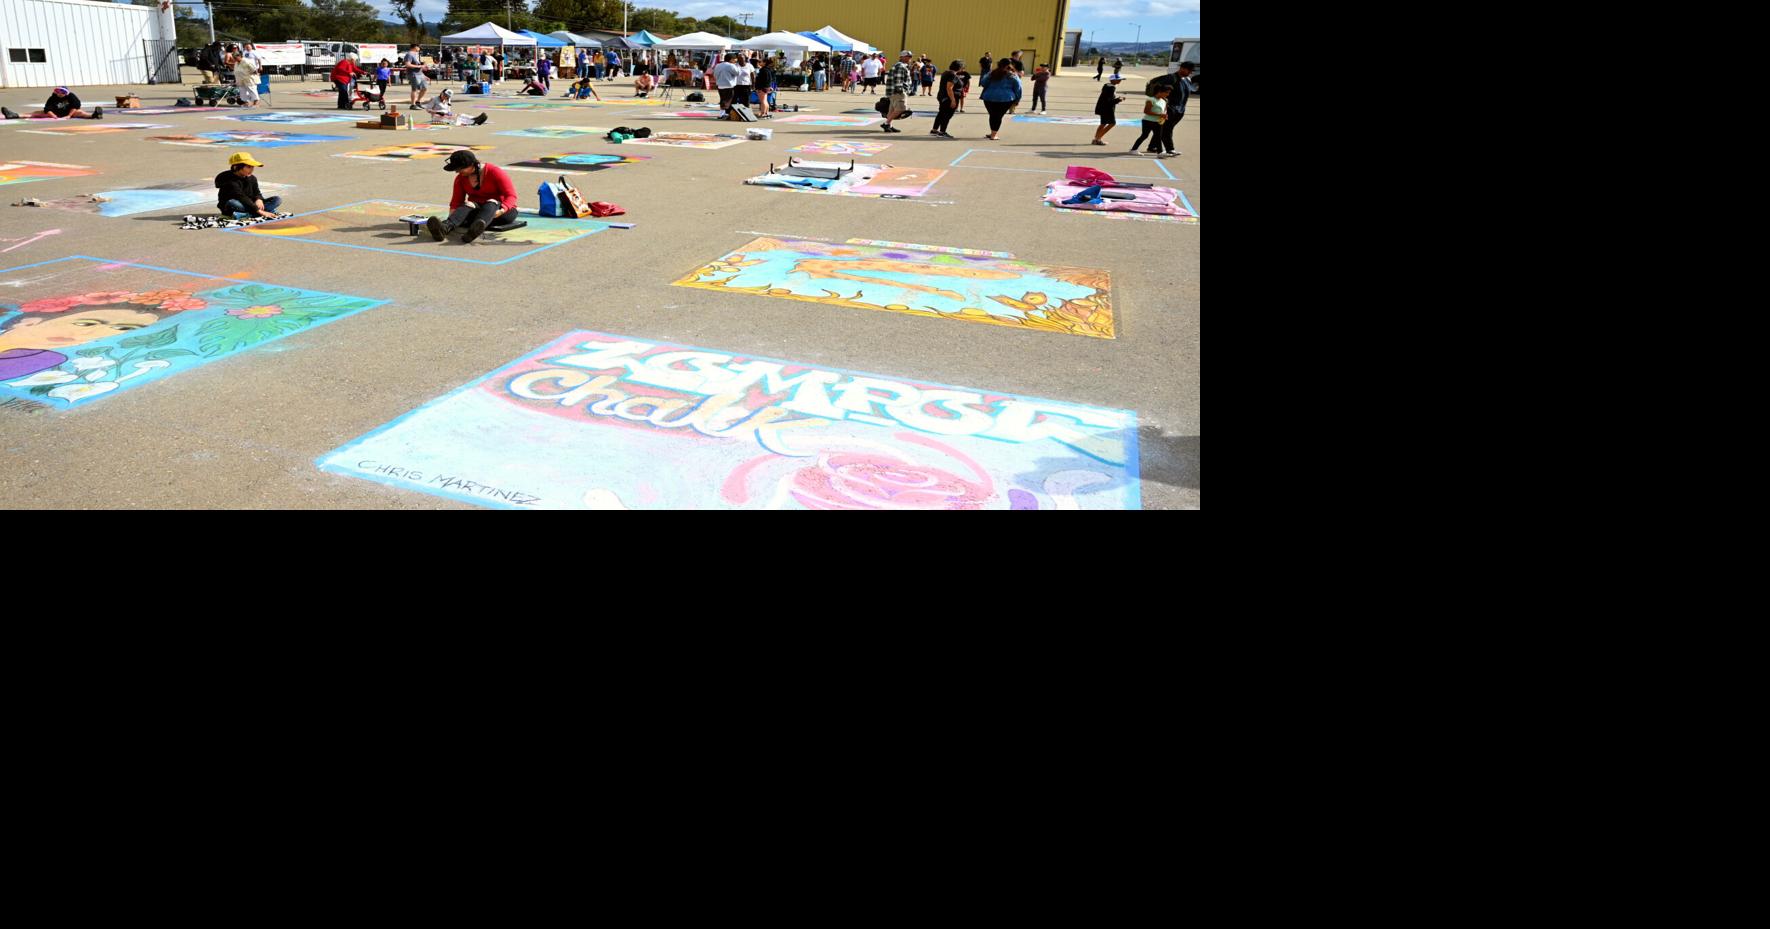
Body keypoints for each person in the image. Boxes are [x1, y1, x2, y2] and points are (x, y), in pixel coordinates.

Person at [0, 293, 194, 383]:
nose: (90, 334)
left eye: (123, 329)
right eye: (86, 323)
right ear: (31, 321)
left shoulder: (43, 359)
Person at [426, 150, 516, 245]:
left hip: (500, 212)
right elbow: (456, 202)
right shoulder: (460, 178)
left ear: (472, 165)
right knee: (469, 204)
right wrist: (453, 218)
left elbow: (511, 195)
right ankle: (444, 228)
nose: (457, 171)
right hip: (478, 210)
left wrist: (502, 210)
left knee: (491, 202)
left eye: (459, 168)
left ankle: (475, 229)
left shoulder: (494, 172)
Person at [1146, 62, 1195, 157]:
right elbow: (1157, 91)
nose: (1190, 73)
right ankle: (1170, 149)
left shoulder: (1187, 80)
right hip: (1169, 109)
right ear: (1182, 68)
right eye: (1189, 70)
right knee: (1167, 129)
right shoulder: (1170, 78)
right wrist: (1163, 104)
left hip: (1180, 110)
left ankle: (1152, 146)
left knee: (1165, 128)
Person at [215, 152, 283, 218]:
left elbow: (257, 192)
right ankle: (258, 213)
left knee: (277, 199)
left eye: (252, 167)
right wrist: (261, 212)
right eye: (249, 167)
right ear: (236, 167)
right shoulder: (229, 180)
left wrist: (259, 199)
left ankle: (246, 214)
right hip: (237, 204)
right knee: (232, 203)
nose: (252, 169)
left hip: (250, 204)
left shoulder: (252, 178)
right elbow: (241, 197)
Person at [978, 58, 1020, 140]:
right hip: (1006, 98)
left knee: (993, 115)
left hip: (989, 97)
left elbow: (983, 83)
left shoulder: (992, 73)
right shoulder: (1012, 75)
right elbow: (1018, 88)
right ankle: (994, 135)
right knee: (998, 116)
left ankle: (992, 133)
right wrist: (1017, 99)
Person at [1130, 84, 1170, 154]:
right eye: (1166, 92)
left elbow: (1164, 110)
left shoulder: (1164, 100)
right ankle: (1133, 150)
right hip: (1148, 121)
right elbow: (1146, 111)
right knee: (1144, 135)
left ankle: (1160, 152)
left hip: (1158, 121)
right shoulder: (1151, 100)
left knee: (1158, 136)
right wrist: (1160, 115)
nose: (1168, 94)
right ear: (1160, 92)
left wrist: (1164, 116)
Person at [18, 87, 102, 119]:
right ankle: (16, 115)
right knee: (36, 113)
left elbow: (75, 106)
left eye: (62, 92)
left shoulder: (71, 96)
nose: (60, 94)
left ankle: (94, 115)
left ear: (66, 92)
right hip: (56, 113)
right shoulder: (53, 98)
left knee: (80, 112)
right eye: (57, 92)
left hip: (70, 112)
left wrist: (69, 116)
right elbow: (47, 108)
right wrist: (52, 115)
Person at [880, 50, 913, 133]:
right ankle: (886, 123)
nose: (910, 58)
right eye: (908, 56)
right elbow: (898, 79)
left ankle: (889, 126)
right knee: (901, 109)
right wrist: (901, 91)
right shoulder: (901, 66)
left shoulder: (899, 65)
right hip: (898, 92)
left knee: (891, 110)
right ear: (902, 57)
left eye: (910, 56)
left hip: (893, 92)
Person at [424, 89, 490, 126]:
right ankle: (473, 121)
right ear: (442, 93)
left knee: (461, 115)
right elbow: (427, 109)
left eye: (447, 96)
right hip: (437, 117)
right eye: (445, 95)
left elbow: (448, 109)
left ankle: (475, 118)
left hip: (447, 115)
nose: (445, 97)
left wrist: (450, 113)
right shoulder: (434, 99)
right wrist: (437, 112)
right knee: (456, 119)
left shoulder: (448, 100)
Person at [930, 59, 961, 138]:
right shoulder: (953, 75)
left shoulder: (946, 73)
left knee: (941, 113)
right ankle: (942, 132)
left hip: (942, 96)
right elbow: (949, 88)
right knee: (947, 115)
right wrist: (953, 100)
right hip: (948, 97)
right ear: (959, 68)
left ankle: (934, 129)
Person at [1091, 74, 1125, 144]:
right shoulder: (1111, 88)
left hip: (1102, 108)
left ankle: (1096, 139)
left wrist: (1117, 99)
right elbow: (1109, 101)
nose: (1120, 81)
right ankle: (1098, 139)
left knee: (1103, 123)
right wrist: (1119, 99)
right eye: (1119, 79)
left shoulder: (1107, 85)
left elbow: (1107, 99)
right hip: (1107, 109)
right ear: (1113, 80)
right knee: (1112, 123)